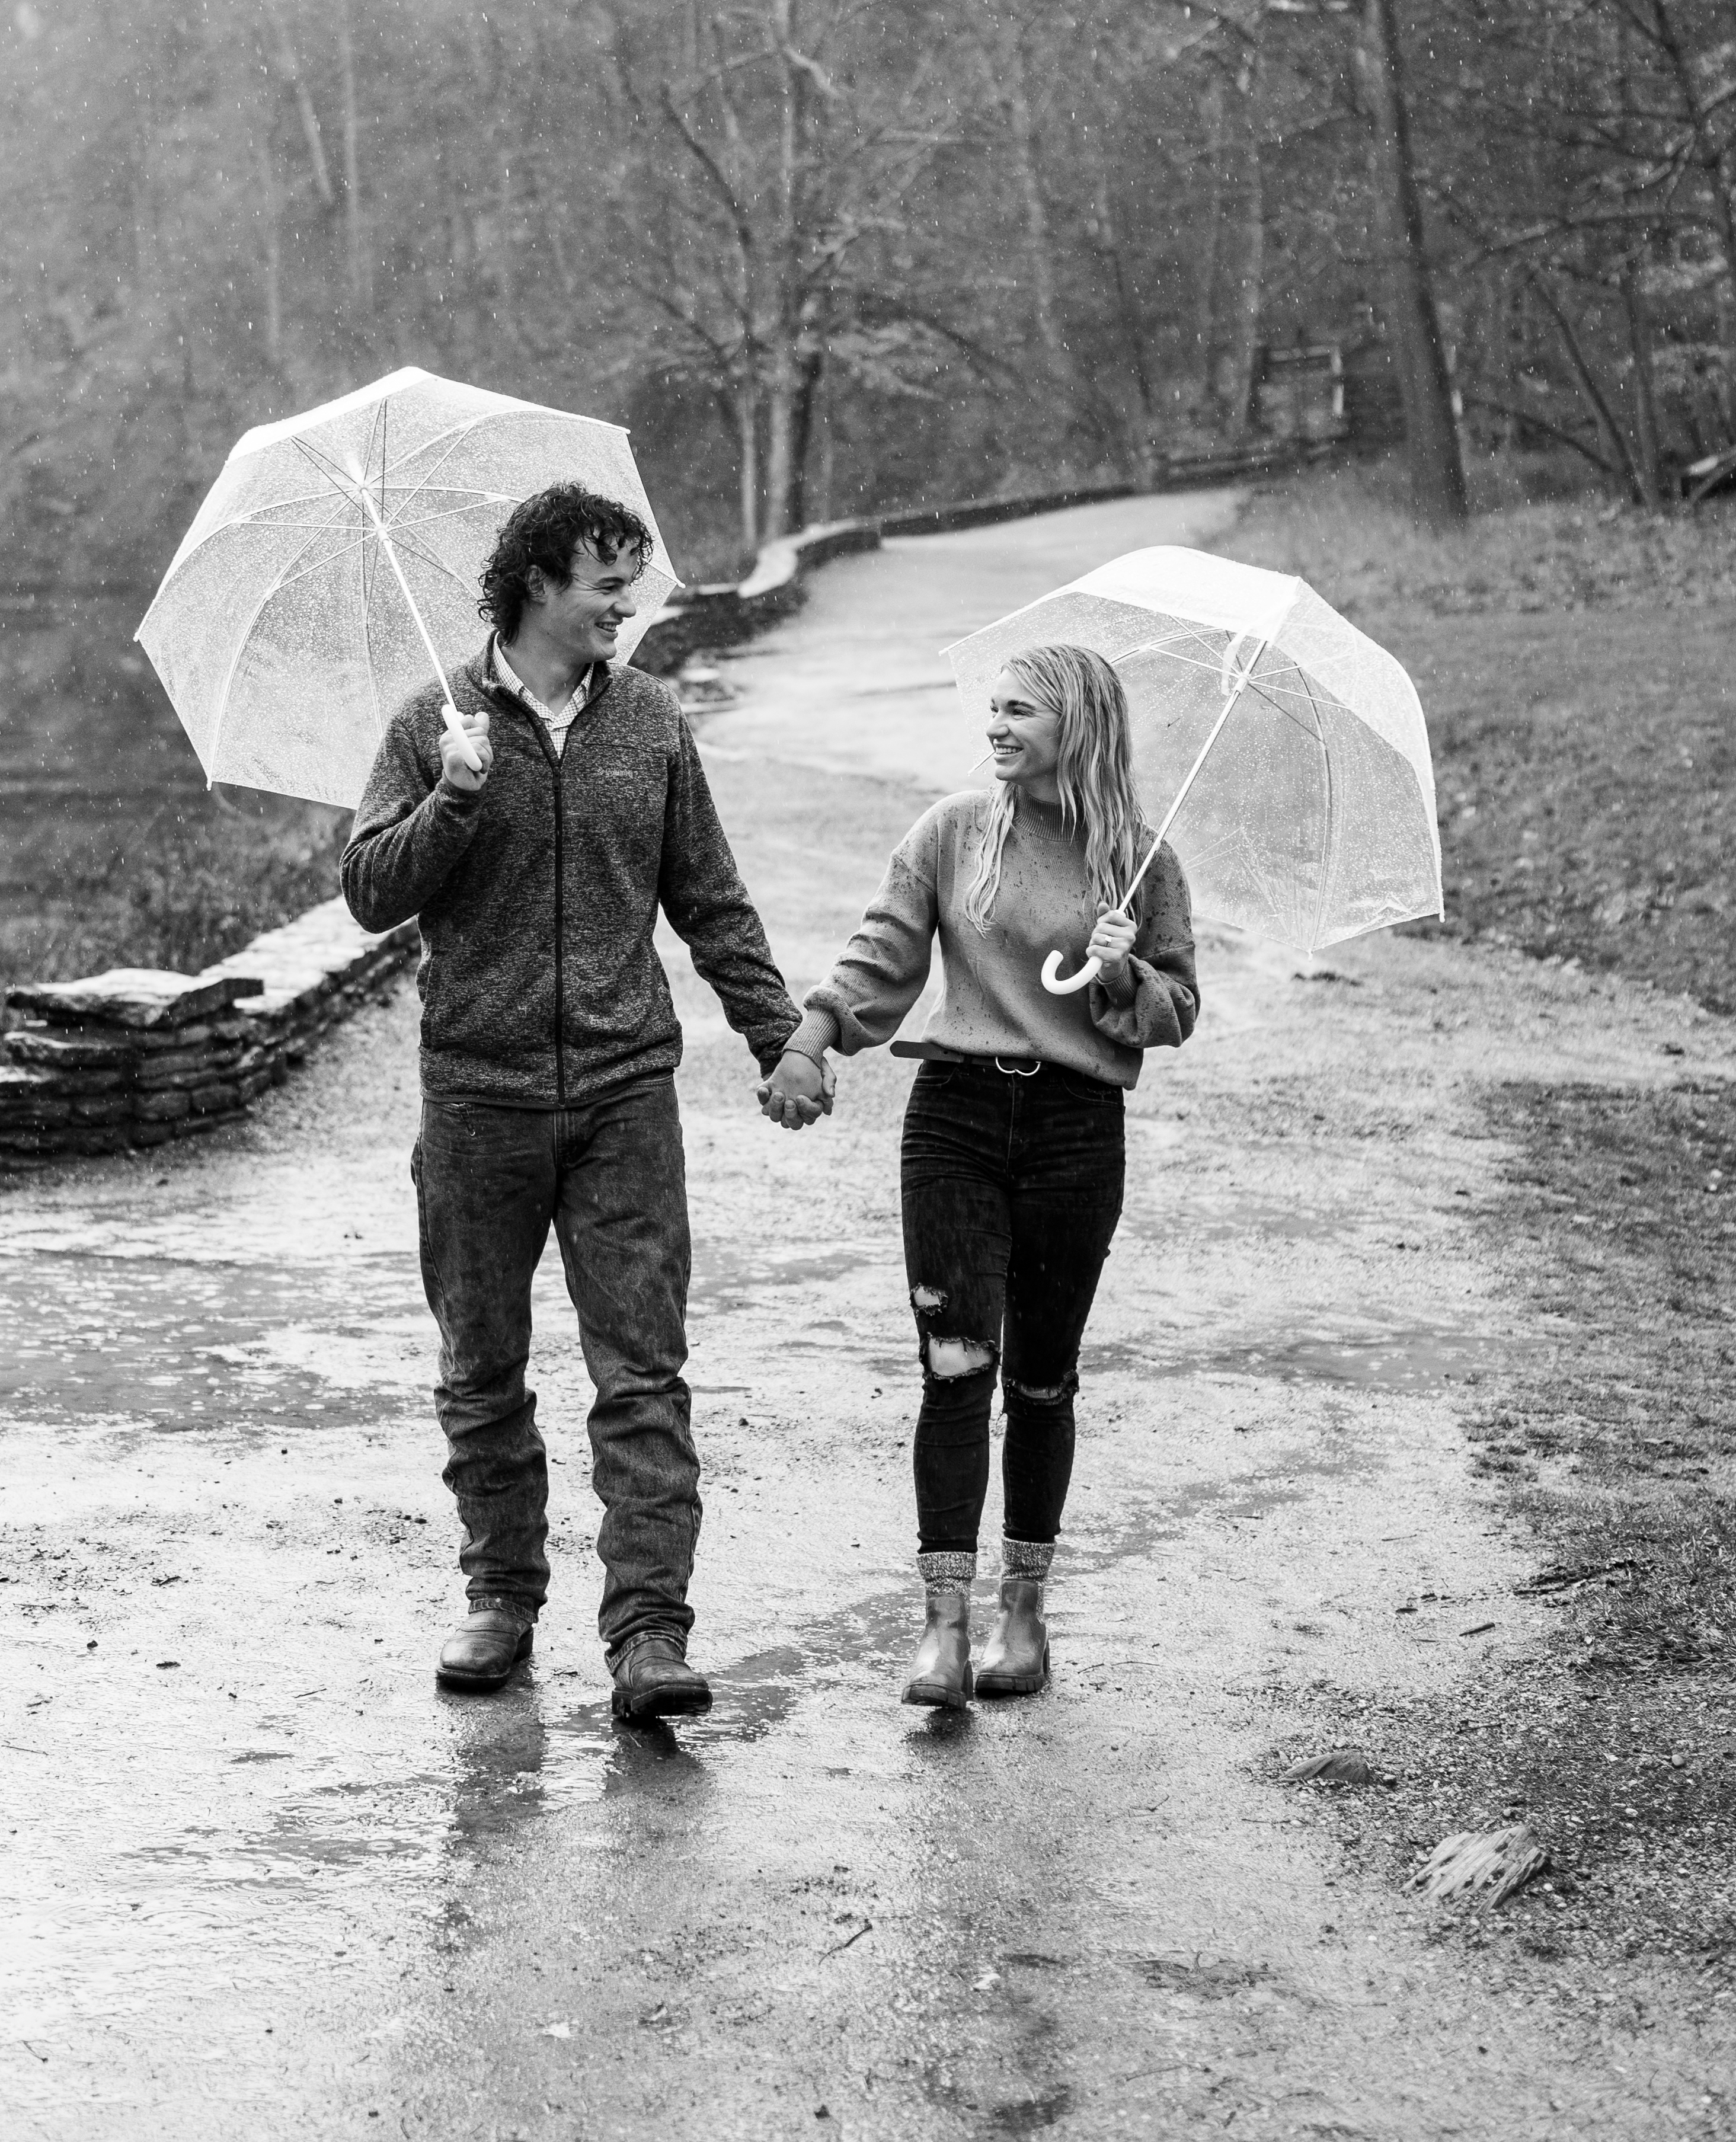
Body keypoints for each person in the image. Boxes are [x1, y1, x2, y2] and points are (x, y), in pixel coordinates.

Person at [340, 481, 799, 1721]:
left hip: (620, 1097)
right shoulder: (426, 724)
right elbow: (368, 894)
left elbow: (708, 897)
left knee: (641, 1373)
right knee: (480, 1366)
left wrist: (777, 1036)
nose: (627, 605)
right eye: (607, 582)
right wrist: (451, 798)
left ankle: (649, 1634)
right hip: (476, 1101)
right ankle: (500, 1595)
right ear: (539, 582)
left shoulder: (648, 720)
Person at [758, 641, 1198, 1706]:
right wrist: (812, 1039)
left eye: (1021, 712)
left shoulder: (1140, 860)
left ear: (1077, 726)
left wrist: (1125, 970)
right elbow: (881, 955)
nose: (997, 728)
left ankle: (1024, 1619)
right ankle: (943, 1631)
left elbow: (1177, 1009)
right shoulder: (954, 833)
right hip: (954, 1112)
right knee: (956, 1363)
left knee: (1042, 1375)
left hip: (1076, 1126)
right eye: (992, 710)